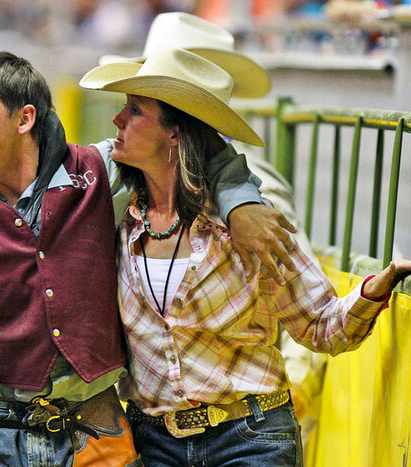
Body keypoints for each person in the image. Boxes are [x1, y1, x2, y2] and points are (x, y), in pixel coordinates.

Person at [0, 50, 299, 466]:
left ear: (25, 118)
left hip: (96, 431)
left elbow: (203, 150)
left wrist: (241, 205)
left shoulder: (100, 172)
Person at [79, 45, 411, 465]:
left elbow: (319, 324)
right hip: (154, 441)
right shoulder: (119, 223)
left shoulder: (245, 227)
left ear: (175, 132)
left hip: (250, 437)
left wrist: (372, 292)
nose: (117, 120)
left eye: (136, 110)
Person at [102, 10, 329, 446]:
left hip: (240, 411)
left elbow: (293, 285)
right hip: (167, 422)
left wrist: (297, 383)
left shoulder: (252, 192)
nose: (122, 117)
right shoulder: (127, 177)